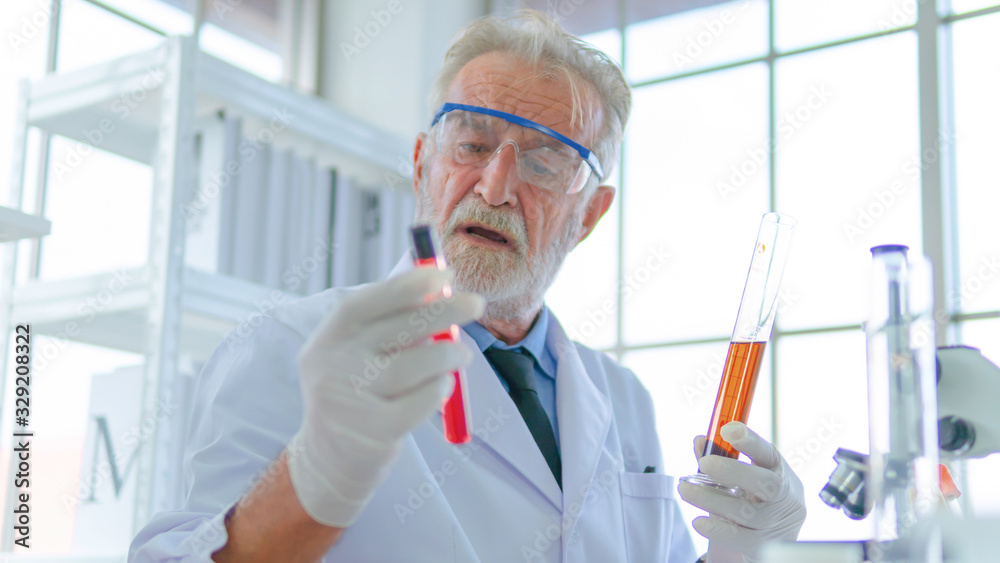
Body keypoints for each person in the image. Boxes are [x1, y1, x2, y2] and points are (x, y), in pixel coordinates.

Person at [129, 11, 805, 563]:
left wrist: (747, 550)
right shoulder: (282, 348)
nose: (496, 186)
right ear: (424, 164)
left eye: (544, 162)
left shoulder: (623, 400)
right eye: (473, 145)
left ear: (590, 215)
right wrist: (314, 478)